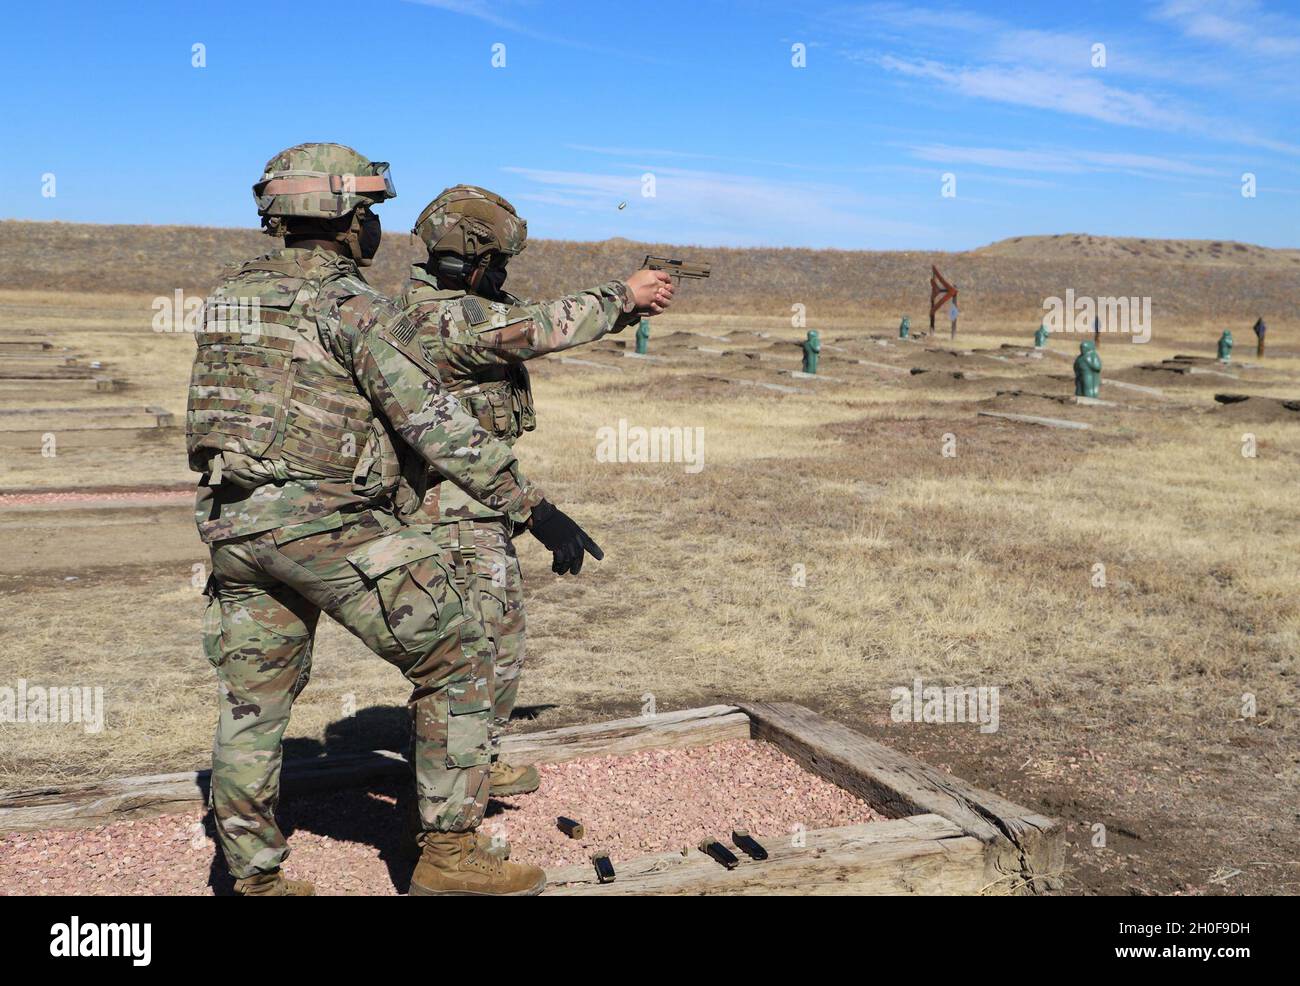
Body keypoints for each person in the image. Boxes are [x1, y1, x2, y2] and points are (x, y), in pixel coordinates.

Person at [189, 145, 602, 896]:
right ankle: (448, 857)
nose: (374, 231)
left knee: (253, 705)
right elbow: (433, 425)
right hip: (323, 525)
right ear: (344, 220)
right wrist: (535, 509)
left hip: (231, 526)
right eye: (369, 215)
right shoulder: (354, 306)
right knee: (462, 653)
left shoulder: (227, 298)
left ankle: (255, 880)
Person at [391, 185, 673, 798]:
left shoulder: (444, 308)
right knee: (476, 648)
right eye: (498, 263)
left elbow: (532, 316)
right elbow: (538, 326)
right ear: (468, 259)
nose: (503, 276)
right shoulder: (442, 318)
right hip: (449, 514)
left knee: (493, 641)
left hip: (470, 507)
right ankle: (452, 796)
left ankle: (474, 762)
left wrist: (624, 306)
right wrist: (624, 294)